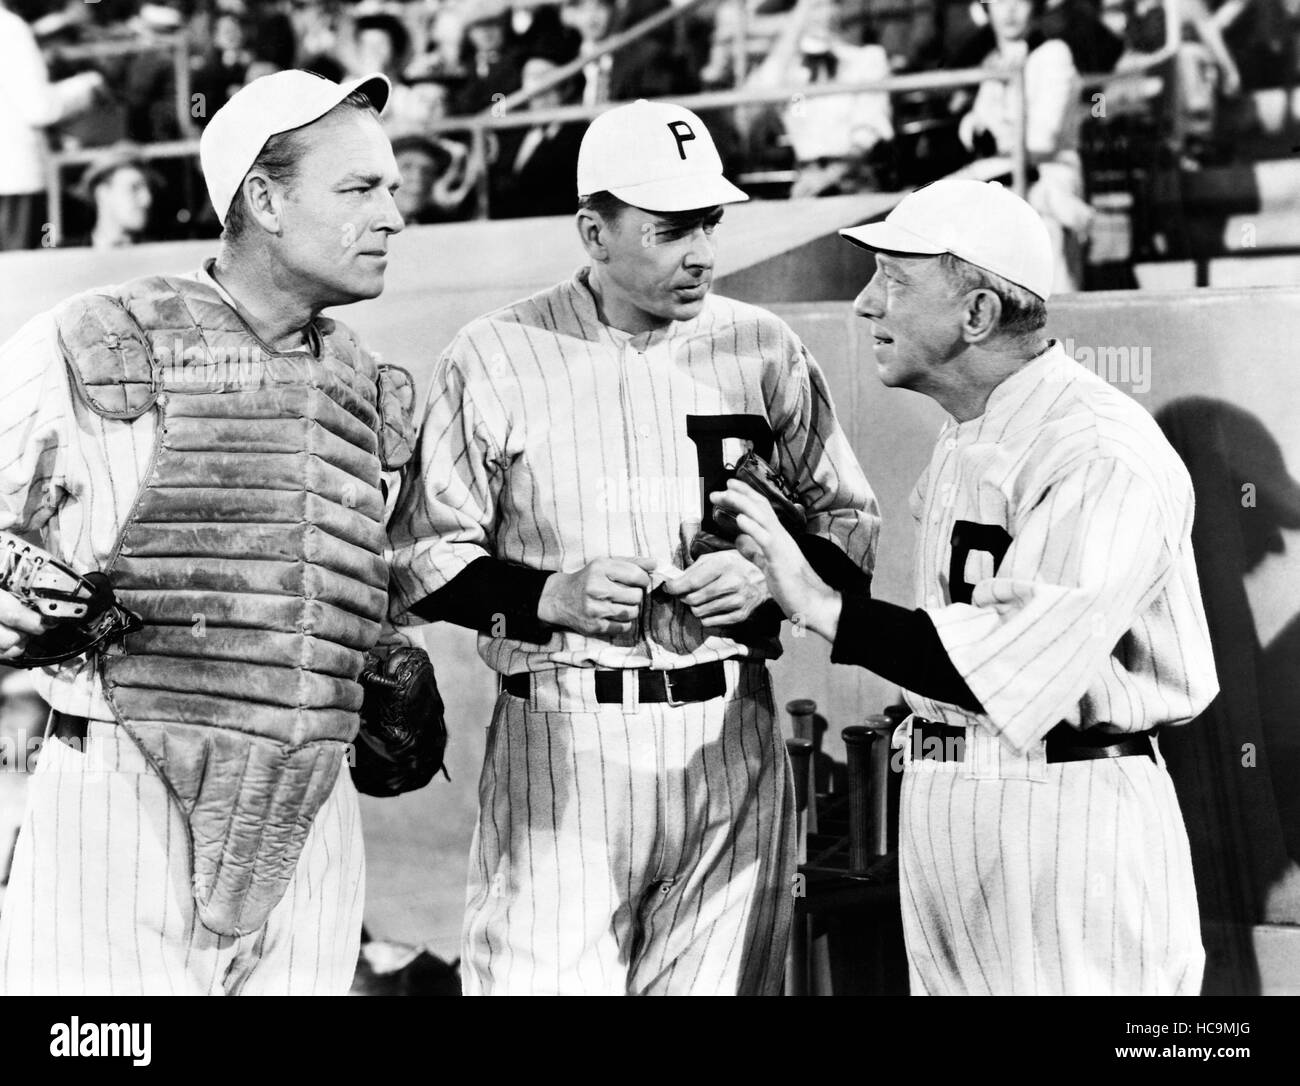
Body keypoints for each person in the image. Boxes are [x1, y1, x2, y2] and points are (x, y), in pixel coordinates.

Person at [387, 99, 880, 996]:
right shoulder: (495, 353)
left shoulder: (763, 346)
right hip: (563, 732)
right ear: (594, 231)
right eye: (669, 230)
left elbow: (848, 524)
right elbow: (424, 556)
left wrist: (769, 584)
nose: (700, 252)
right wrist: (547, 597)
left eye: (709, 224)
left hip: (729, 728)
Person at [713, 178, 1218, 995]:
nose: (865, 304)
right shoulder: (974, 429)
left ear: (977, 314)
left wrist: (821, 604)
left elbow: (1010, 666)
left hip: (1066, 809)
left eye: (895, 281)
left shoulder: (1098, 449)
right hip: (958, 800)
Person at [0, 69, 409, 996]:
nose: (392, 216)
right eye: (359, 190)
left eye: (392, 189)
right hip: (120, 791)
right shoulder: (96, 340)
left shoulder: (366, 382)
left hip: (310, 811)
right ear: (262, 199)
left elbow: (376, 577)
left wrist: (386, 654)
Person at [957, 0, 1094, 291]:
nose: (1009, 11)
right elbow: (974, 128)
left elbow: (1040, 140)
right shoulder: (995, 61)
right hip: (999, 177)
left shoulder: (1053, 55)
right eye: (999, 2)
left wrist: (992, 130)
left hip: (1046, 176)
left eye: (1020, 1)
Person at [0, 0, 104, 251]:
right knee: (17, 278)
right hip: (15, 179)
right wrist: (88, 87)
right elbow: (40, 109)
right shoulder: (10, 28)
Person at [72, 146, 159, 250]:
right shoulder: (61, 256)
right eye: (134, 188)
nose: (147, 200)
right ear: (103, 193)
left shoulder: (158, 256)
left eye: (149, 189)